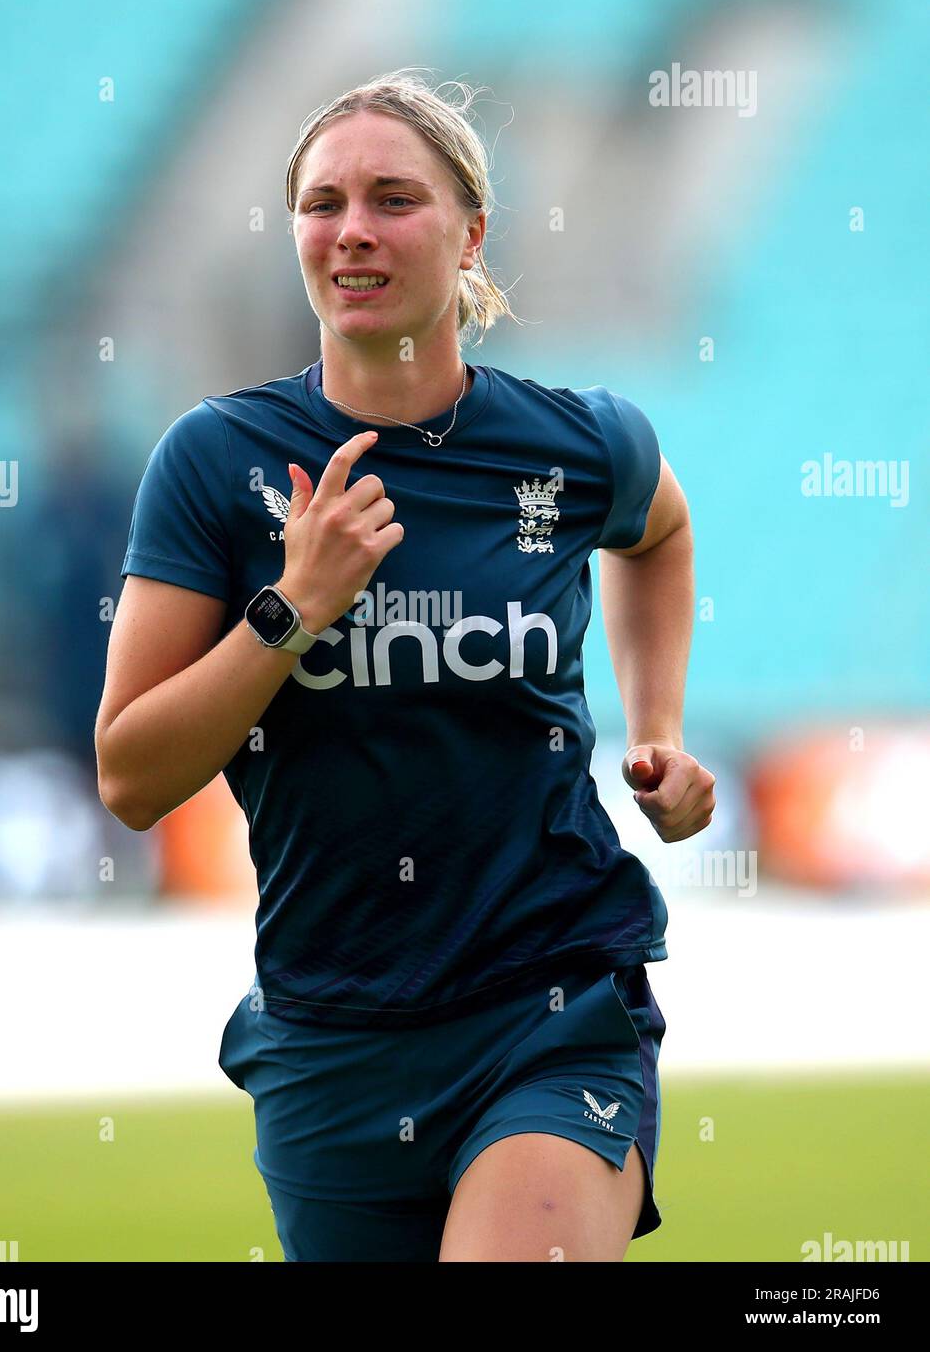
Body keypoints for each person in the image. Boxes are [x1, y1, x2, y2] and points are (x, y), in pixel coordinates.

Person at [95, 69, 715, 1262]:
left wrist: (661, 730)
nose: (352, 232)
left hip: (549, 1001)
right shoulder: (214, 459)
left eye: (392, 198)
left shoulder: (575, 442)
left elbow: (660, 530)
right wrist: (292, 608)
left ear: (470, 229)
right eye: (322, 204)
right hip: (332, 1032)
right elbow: (130, 777)